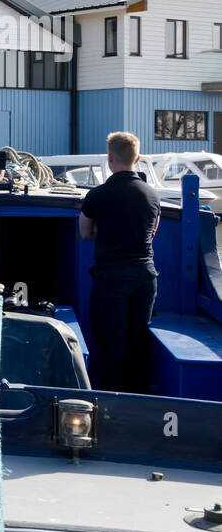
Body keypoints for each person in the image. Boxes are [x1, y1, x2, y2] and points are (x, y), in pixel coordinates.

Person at [79, 131, 160, 392]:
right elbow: (152, 232)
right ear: (137, 158)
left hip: (111, 278)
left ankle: (111, 401)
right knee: (139, 340)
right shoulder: (152, 195)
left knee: (111, 342)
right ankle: (140, 397)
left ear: (110, 158)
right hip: (144, 276)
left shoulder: (97, 196)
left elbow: (85, 233)